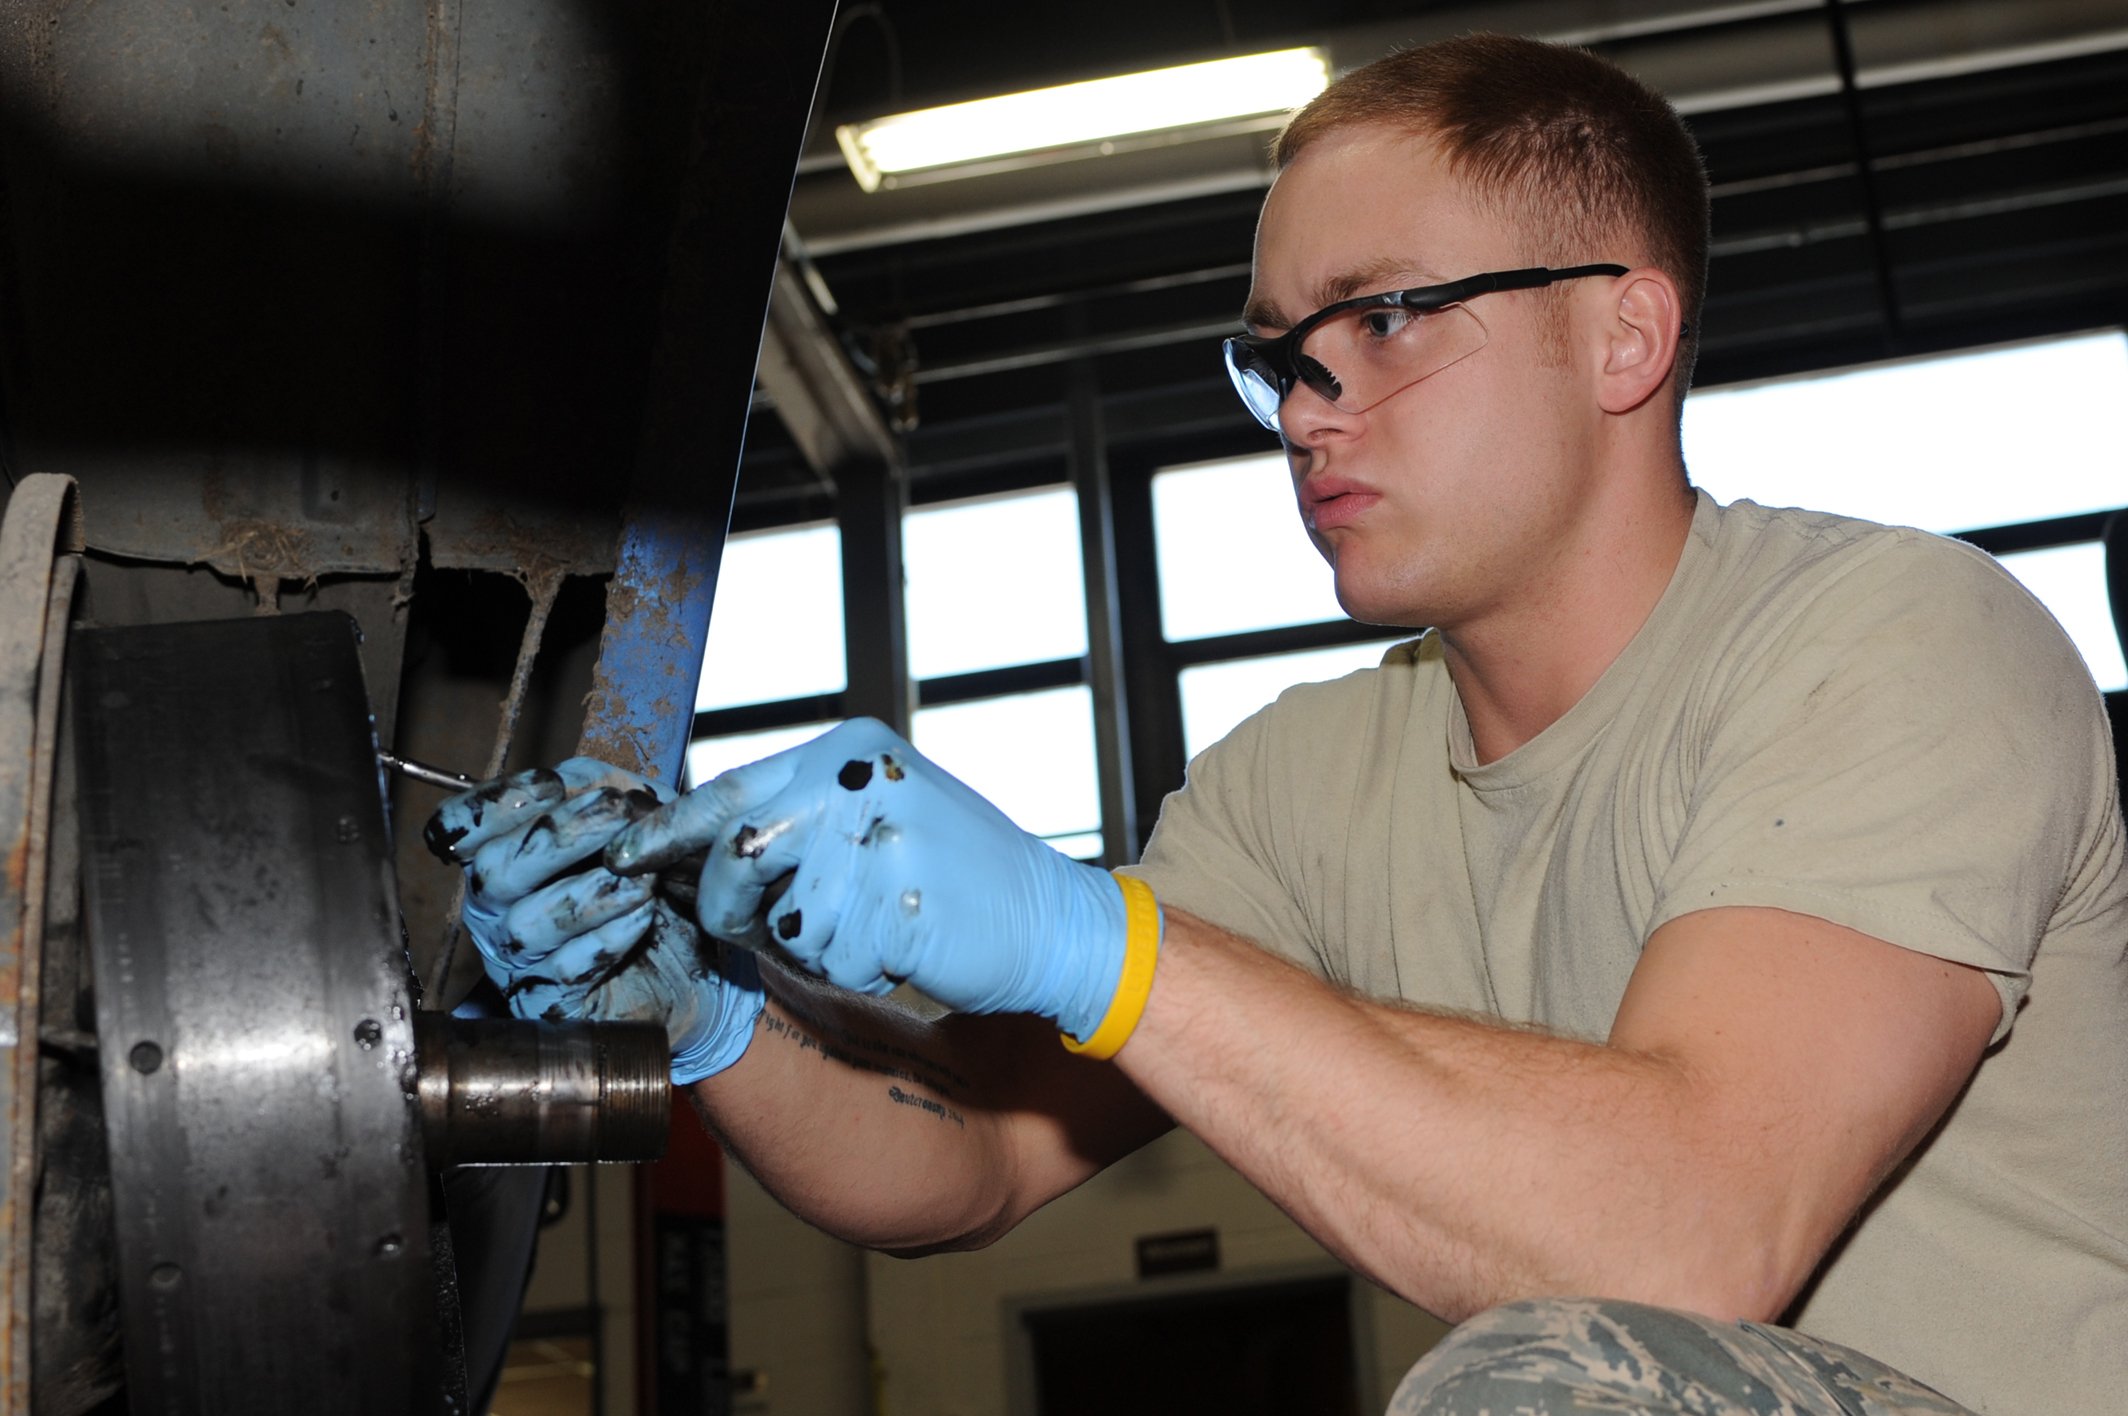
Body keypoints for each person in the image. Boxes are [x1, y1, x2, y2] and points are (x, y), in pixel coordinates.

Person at [426, 34, 2128, 1416]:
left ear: (1626, 334)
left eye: (1381, 321)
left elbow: (1681, 1239)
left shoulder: (1893, 645)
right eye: (1280, 358)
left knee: (1542, 1387)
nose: (1308, 408)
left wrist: (1100, 941)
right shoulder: (1307, 782)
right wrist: (719, 1014)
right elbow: (964, 1162)